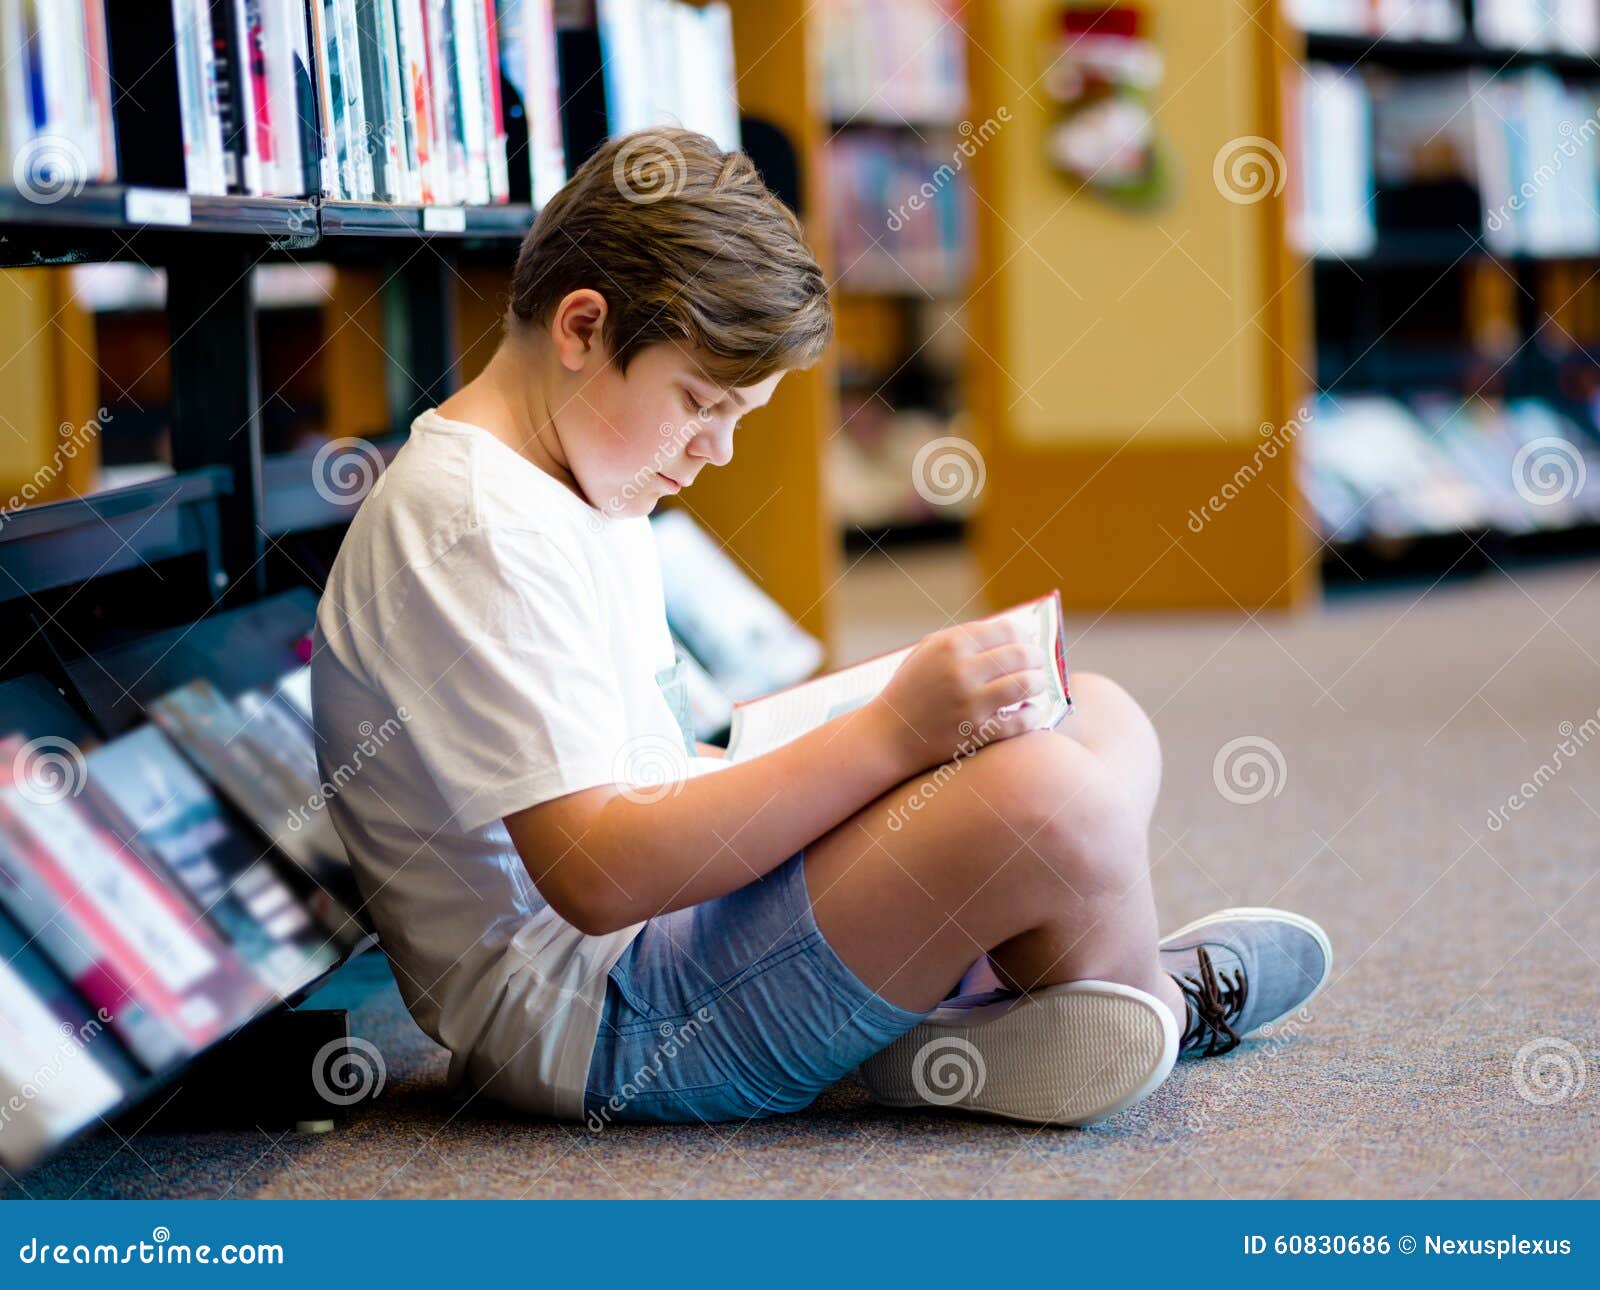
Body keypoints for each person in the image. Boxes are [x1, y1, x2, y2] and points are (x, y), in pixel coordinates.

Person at [310, 126, 1331, 1130]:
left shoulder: (577, 475)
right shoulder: (479, 526)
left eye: (739, 415)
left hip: (676, 933)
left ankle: (964, 1007)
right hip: (608, 1021)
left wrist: (893, 740)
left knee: (1091, 716)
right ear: (581, 327)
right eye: (700, 402)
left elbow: (646, 761)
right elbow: (600, 874)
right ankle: (1145, 1002)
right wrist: (890, 734)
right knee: (1057, 800)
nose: (715, 450)